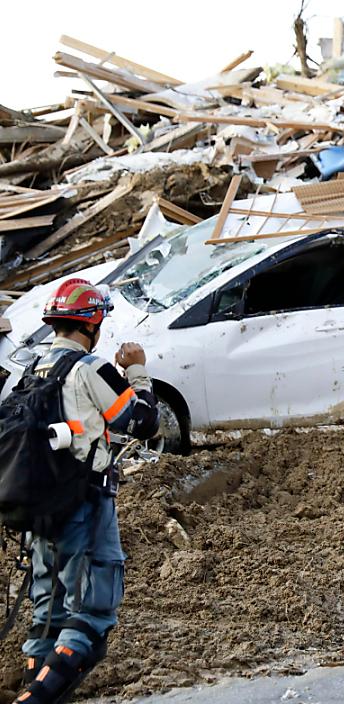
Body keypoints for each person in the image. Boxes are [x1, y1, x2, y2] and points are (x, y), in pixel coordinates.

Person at [17, 278, 160, 704]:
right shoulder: (88, 369)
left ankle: (32, 684)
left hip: (40, 505)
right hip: (85, 504)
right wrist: (136, 370)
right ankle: (36, 700)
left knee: (48, 613)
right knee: (93, 615)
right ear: (92, 324)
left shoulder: (34, 369)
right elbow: (142, 422)